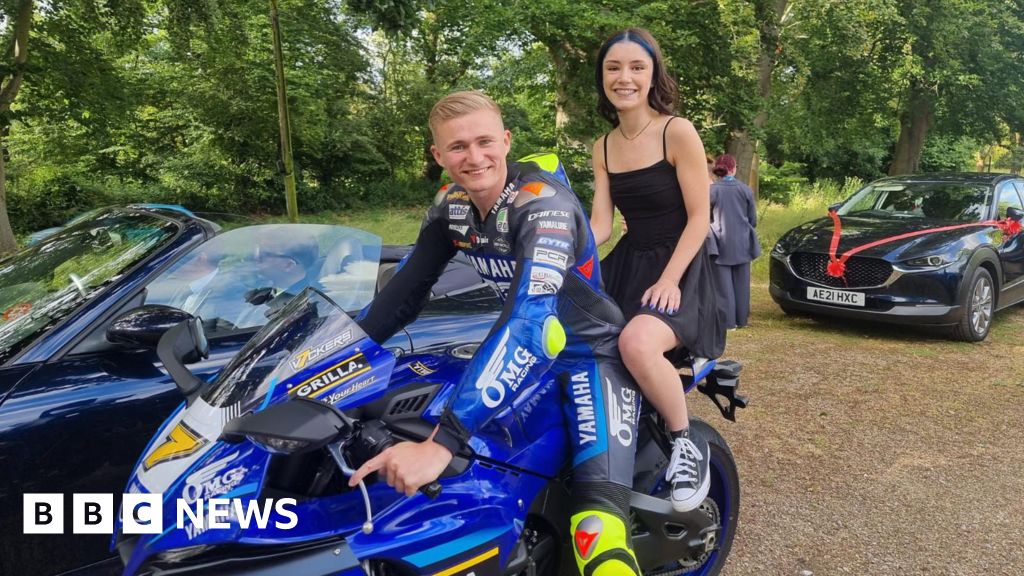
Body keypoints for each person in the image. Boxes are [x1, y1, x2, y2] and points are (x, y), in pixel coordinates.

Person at [349, 90, 643, 576]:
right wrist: (336, 359)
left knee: (597, 529)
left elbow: (530, 325)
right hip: (526, 355)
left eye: (485, 141)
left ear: (506, 141)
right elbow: (401, 295)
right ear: (438, 155)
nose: (474, 157)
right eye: (458, 147)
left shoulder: (544, 206)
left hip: (588, 354)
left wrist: (442, 443)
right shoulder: (451, 205)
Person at [588, 28, 725, 513]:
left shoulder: (676, 131)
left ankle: (686, 443)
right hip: (630, 261)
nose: (623, 77)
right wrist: (554, 249)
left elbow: (700, 217)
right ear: (602, 77)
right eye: (613, 67)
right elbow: (601, 226)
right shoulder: (603, 147)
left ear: (652, 76)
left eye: (636, 67)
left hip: (681, 267)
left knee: (637, 343)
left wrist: (669, 278)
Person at [710, 154, 761, 329]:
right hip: (743, 243)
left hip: (720, 243)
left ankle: (728, 322)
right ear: (733, 168)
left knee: (723, 286)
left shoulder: (712, 190)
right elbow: (753, 219)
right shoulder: (745, 190)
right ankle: (742, 320)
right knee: (742, 284)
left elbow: (705, 218)